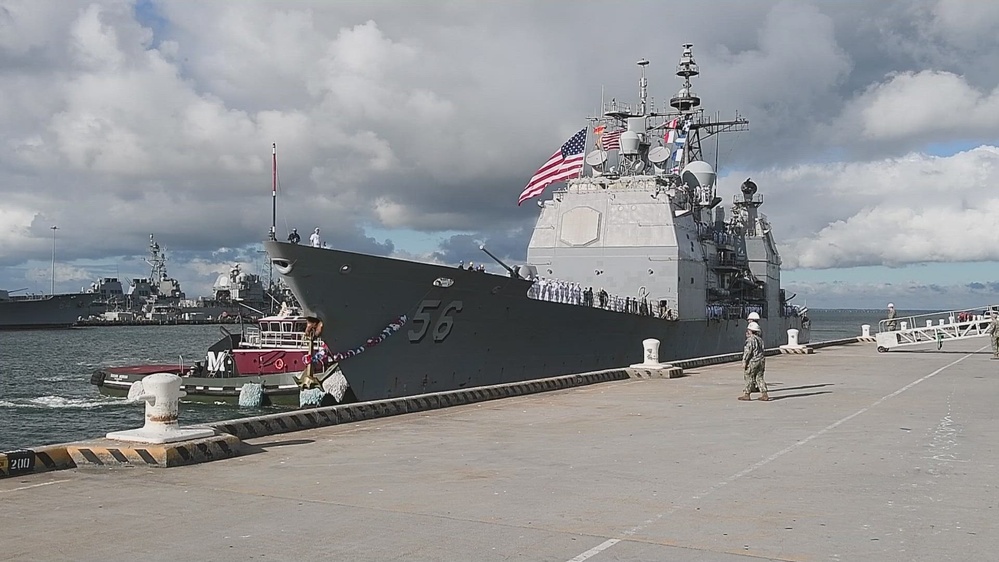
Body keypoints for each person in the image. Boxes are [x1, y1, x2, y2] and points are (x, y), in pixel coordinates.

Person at [739, 321, 769, 401]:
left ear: (750, 330)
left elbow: (748, 351)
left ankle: (747, 394)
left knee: (748, 376)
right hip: (761, 360)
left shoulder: (750, 340)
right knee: (759, 377)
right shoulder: (760, 340)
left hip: (753, 361)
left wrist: (744, 361)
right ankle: (764, 394)